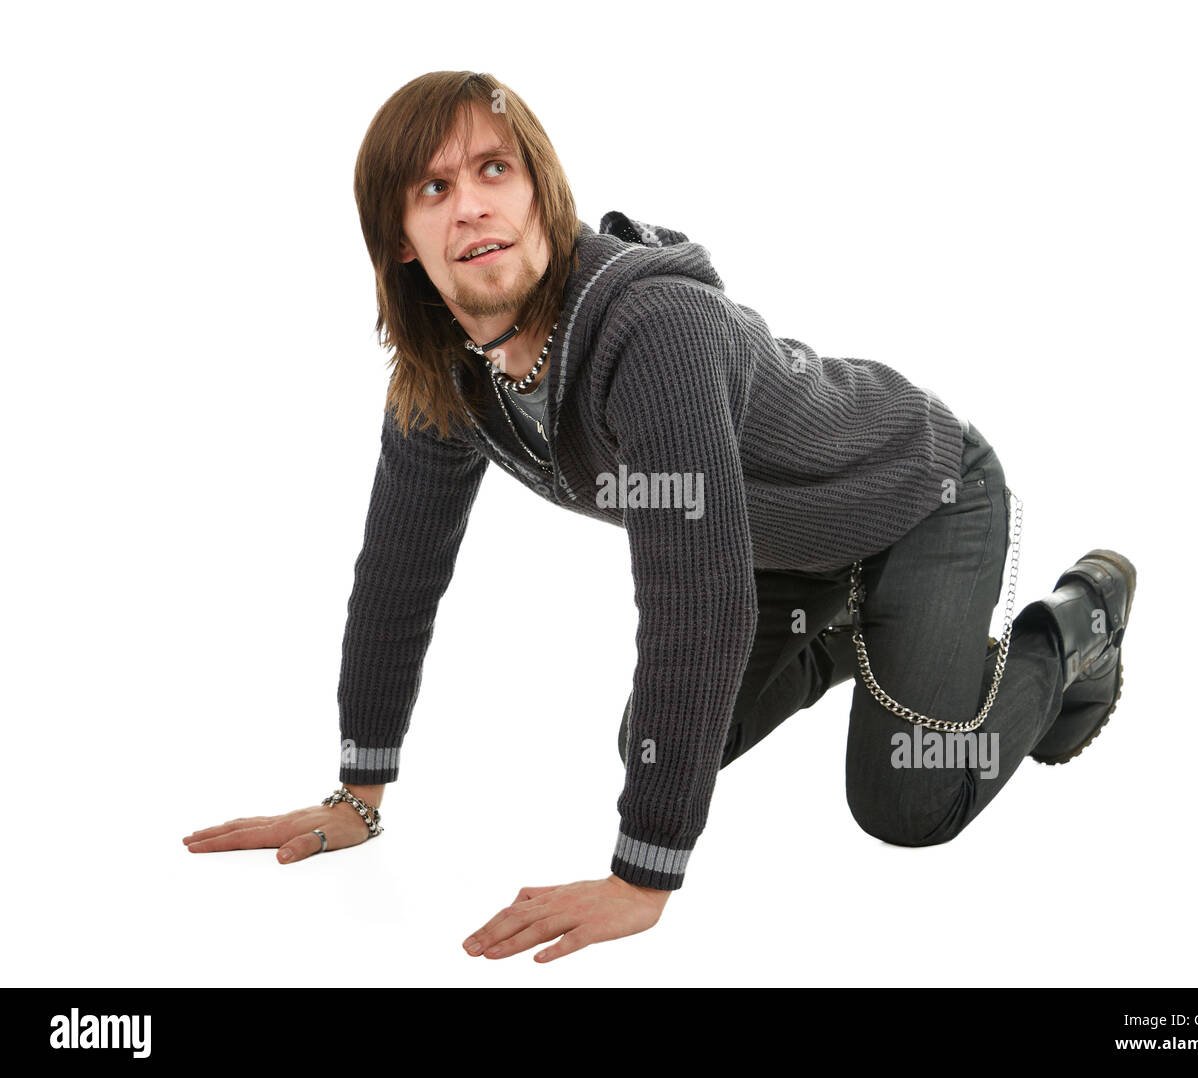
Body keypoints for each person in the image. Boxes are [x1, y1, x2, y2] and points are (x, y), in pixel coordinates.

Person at [182, 71, 1137, 964]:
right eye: (432, 189)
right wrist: (360, 790)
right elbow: (397, 573)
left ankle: (1074, 625)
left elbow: (695, 595)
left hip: (923, 497)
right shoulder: (447, 379)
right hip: (783, 556)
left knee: (909, 799)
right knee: (659, 737)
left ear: (539, 192)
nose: (470, 203)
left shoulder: (653, 333)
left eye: (493, 169)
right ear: (400, 239)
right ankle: (861, 632)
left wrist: (644, 873)